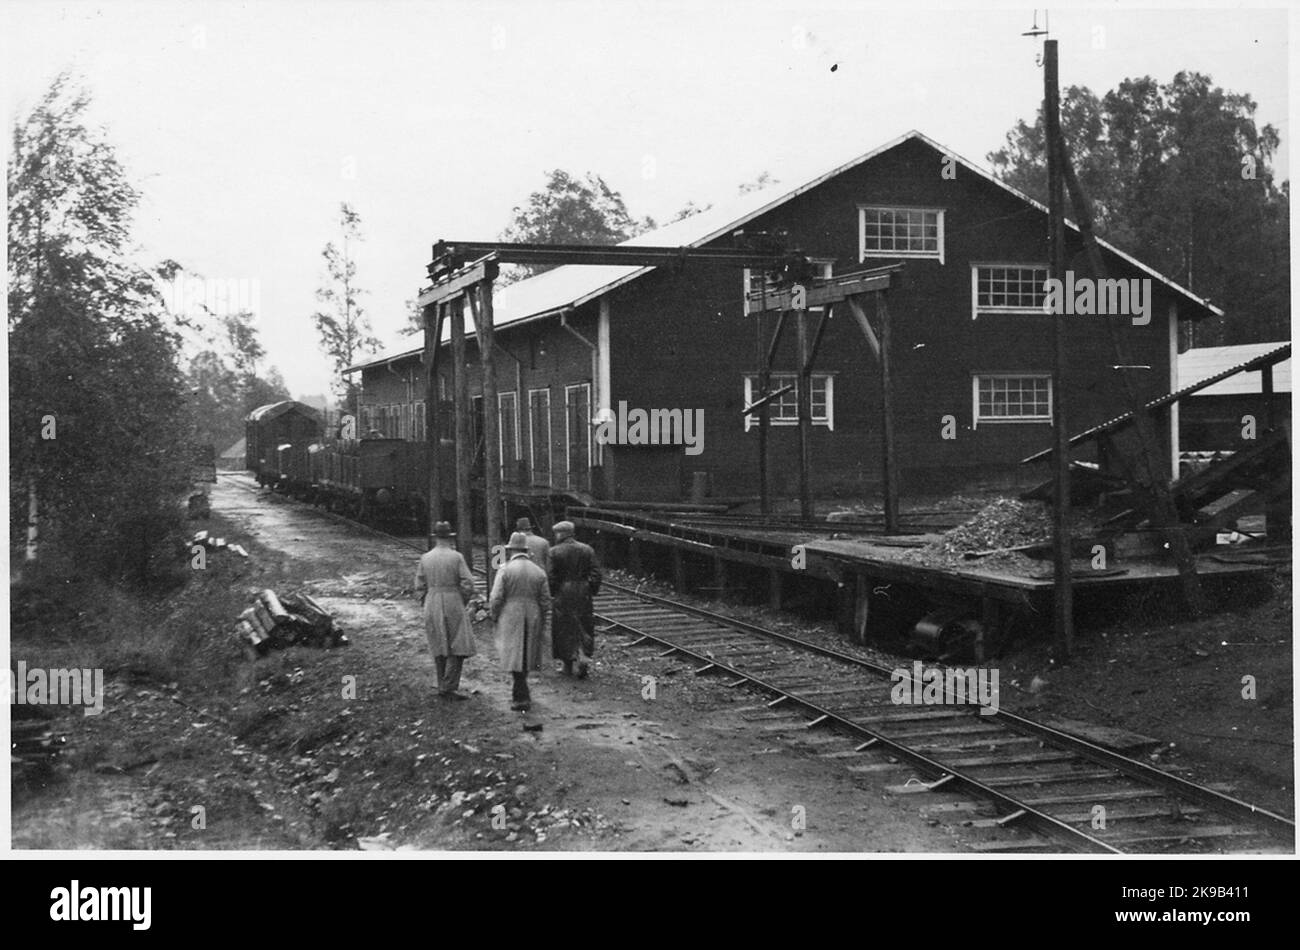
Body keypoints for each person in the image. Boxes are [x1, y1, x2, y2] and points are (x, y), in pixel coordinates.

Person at [489, 532, 552, 712]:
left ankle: (521, 696)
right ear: (525, 550)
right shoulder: (538, 571)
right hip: (533, 613)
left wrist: (494, 615)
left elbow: (496, 597)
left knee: (514, 653)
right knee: (527, 652)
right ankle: (522, 691)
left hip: (511, 613)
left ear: (511, 550)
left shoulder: (505, 569)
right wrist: (542, 617)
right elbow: (546, 600)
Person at [413, 521, 477, 700]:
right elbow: (468, 583)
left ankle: (442, 683)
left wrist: (426, 601)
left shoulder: (425, 558)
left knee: (438, 643)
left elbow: (419, 585)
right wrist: (462, 599)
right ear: (450, 537)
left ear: (435, 537)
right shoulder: (456, 557)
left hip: (432, 600)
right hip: (453, 599)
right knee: (459, 644)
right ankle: (448, 686)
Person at [548, 521, 602, 679]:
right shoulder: (587, 549)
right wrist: (590, 588)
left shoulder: (554, 552)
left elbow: (550, 576)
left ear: (560, 534)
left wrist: (554, 591)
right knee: (584, 625)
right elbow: (596, 573)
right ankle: (583, 657)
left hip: (563, 592)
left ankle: (567, 665)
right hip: (583, 591)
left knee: (564, 627)